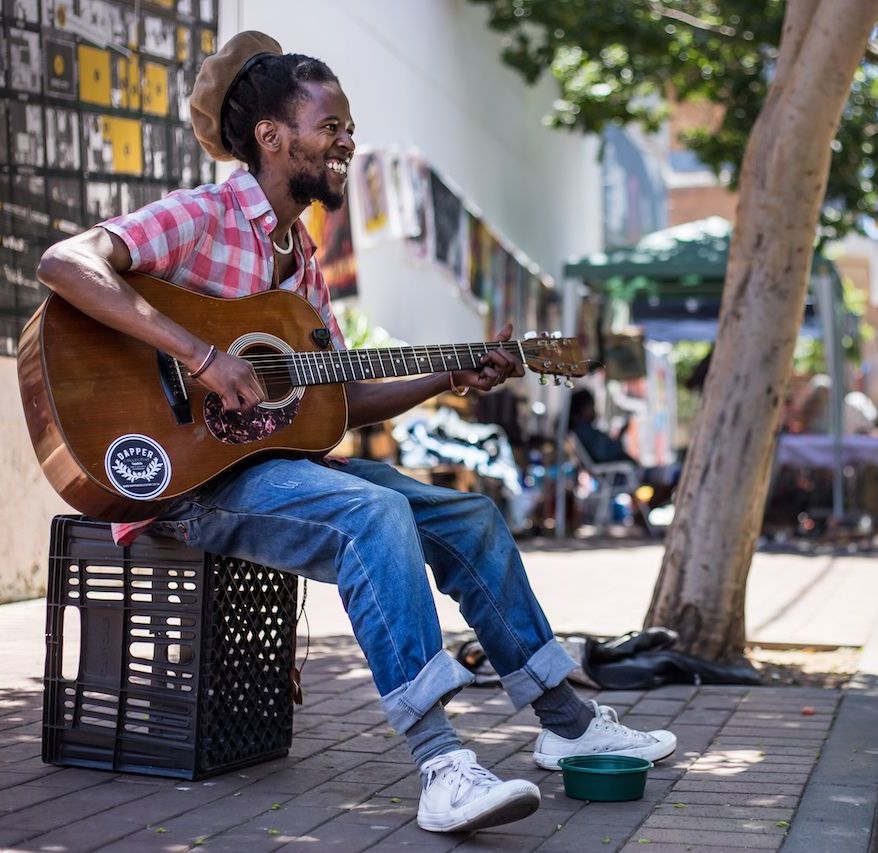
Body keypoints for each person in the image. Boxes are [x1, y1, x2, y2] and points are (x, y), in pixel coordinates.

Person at [34, 32, 675, 835]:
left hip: (270, 466)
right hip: (185, 481)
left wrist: (451, 372)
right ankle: (441, 764)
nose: (347, 142)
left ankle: (566, 723)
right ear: (272, 137)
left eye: (349, 128)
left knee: (468, 516)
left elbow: (337, 400)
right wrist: (201, 355)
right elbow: (65, 262)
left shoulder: (302, 262)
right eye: (330, 126)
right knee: (375, 513)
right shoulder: (202, 215)